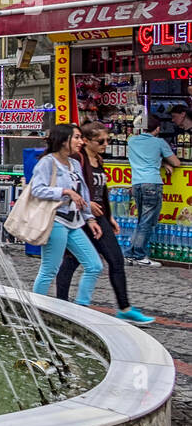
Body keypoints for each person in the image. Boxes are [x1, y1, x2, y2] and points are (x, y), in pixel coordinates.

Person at [56, 122, 153, 322]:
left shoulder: (98, 160)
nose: (106, 144)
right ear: (87, 141)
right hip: (81, 218)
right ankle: (61, 304)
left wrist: (109, 217)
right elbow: (69, 185)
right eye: (101, 141)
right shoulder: (77, 159)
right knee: (71, 262)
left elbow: (103, 190)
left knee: (115, 260)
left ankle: (124, 308)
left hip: (99, 218)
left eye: (107, 140)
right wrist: (87, 203)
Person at [28, 123, 103, 305]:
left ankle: (81, 308)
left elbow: (83, 193)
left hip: (74, 223)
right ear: (64, 140)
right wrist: (65, 191)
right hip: (55, 221)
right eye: (76, 137)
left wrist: (89, 218)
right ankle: (36, 310)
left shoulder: (75, 163)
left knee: (94, 265)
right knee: (49, 270)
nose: (81, 142)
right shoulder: (47, 162)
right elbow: (36, 189)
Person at [124, 114, 180, 267]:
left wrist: (160, 161)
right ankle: (139, 255)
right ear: (157, 129)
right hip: (152, 184)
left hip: (136, 184)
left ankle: (131, 254)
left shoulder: (132, 140)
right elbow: (176, 162)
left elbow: (143, 157)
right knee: (147, 222)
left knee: (142, 220)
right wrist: (163, 160)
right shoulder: (159, 142)